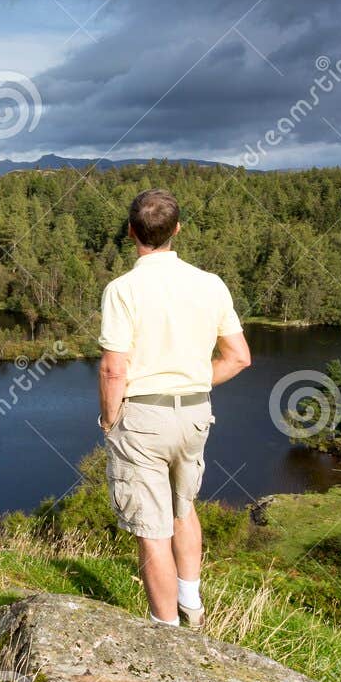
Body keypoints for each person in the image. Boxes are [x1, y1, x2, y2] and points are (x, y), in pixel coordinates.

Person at [96, 189, 251, 628]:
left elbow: (113, 369)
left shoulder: (122, 290)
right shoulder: (211, 284)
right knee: (183, 508)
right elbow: (239, 357)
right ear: (177, 230)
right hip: (196, 415)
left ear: (131, 232)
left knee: (151, 529)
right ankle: (192, 607)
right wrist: (197, 381)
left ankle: (166, 634)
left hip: (143, 417)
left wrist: (111, 420)